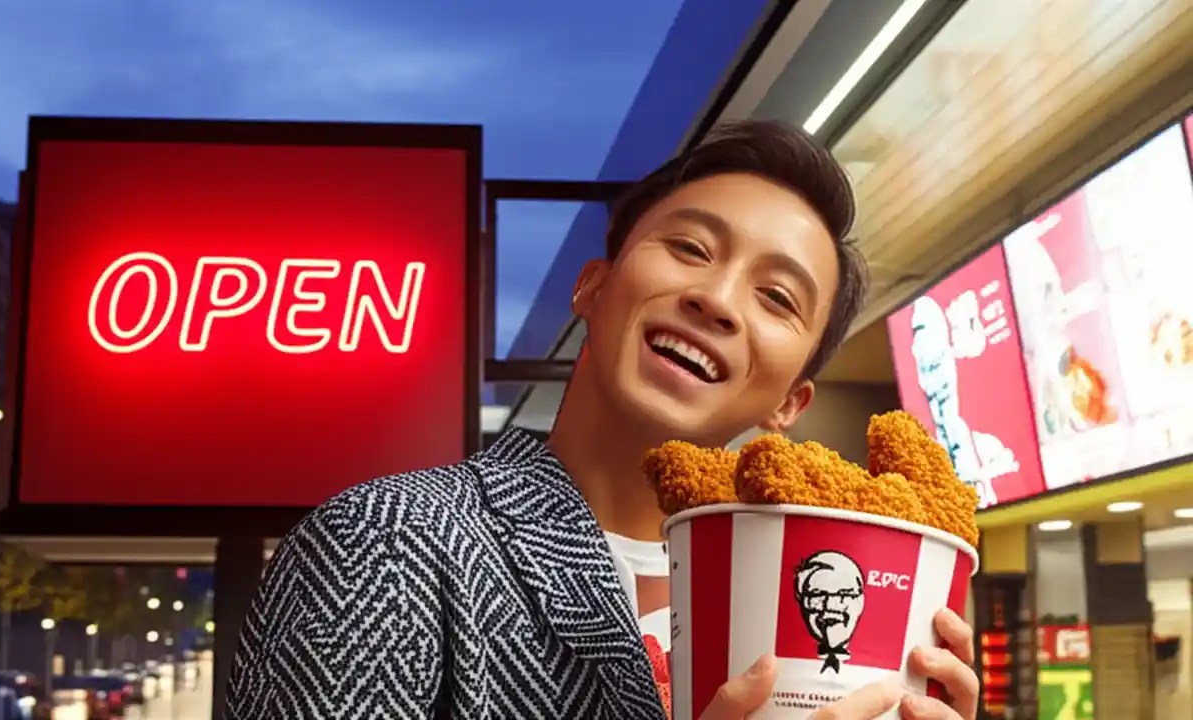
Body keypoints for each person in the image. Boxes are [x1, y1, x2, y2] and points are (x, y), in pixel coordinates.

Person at [225, 120, 979, 720]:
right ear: (592, 287)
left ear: (791, 403)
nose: (716, 299)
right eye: (689, 248)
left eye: (777, 298)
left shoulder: (819, 599)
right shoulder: (390, 540)